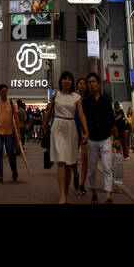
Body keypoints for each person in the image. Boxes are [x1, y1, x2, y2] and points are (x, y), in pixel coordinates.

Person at [44, 71, 84, 203]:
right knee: (61, 162)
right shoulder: (55, 95)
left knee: (68, 164)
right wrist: (45, 125)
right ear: (60, 81)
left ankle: (65, 194)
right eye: (64, 79)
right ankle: (62, 196)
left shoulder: (76, 97)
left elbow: (81, 115)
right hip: (57, 127)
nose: (67, 81)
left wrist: (86, 131)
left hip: (71, 128)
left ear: (72, 82)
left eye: (69, 79)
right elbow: (50, 111)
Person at [80, 72, 118, 203]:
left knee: (107, 167)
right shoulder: (85, 102)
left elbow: (112, 120)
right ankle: (94, 193)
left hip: (105, 138)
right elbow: (82, 120)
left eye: (93, 82)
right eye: (89, 82)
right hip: (91, 139)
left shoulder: (106, 101)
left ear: (99, 84)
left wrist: (116, 137)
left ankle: (108, 196)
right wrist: (83, 134)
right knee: (92, 169)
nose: (91, 84)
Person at [0, 84, 22, 183]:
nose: (4, 93)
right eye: (2, 91)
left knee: (11, 154)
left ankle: (14, 172)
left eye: (5, 91)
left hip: (10, 133)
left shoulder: (12, 103)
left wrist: (18, 133)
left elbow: (16, 119)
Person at [74, 76, 89, 194]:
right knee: (72, 159)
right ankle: (75, 173)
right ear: (77, 85)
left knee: (85, 159)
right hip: (73, 129)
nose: (82, 85)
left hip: (85, 131)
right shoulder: (73, 98)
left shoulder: (89, 99)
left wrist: (86, 131)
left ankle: (82, 184)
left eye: (84, 83)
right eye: (80, 83)